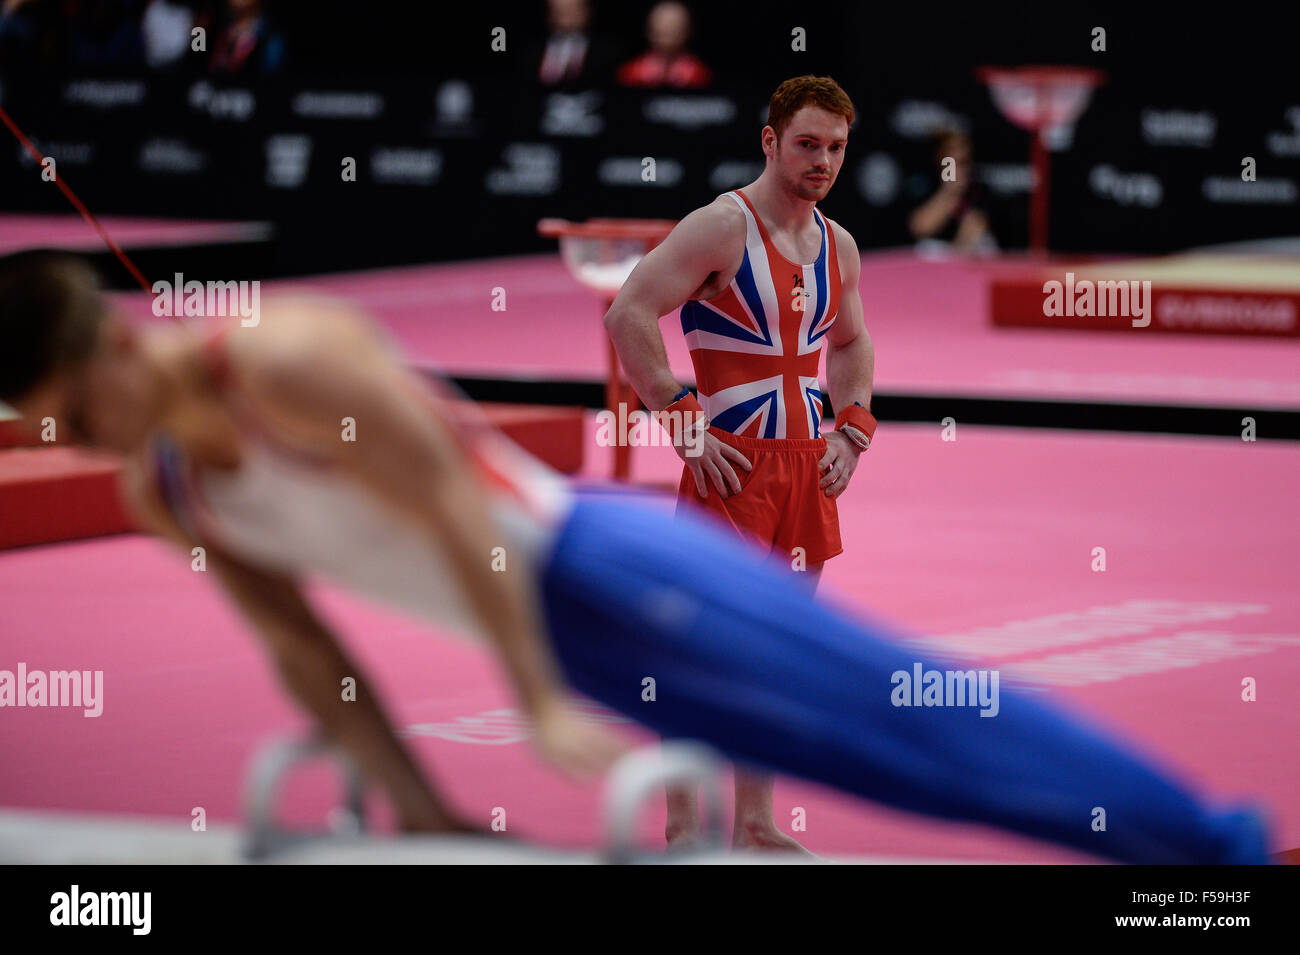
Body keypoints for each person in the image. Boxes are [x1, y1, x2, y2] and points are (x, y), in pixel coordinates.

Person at [0, 250, 1273, 864]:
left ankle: (1212, 842)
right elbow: (304, 642)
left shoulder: (284, 358)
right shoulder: (164, 488)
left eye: (66, 414)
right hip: (573, 641)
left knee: (892, 702)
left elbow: (452, 514)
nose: (70, 447)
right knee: (869, 765)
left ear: (112, 347)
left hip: (602, 569)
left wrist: (535, 700)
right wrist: (423, 811)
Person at [604, 74, 873, 850]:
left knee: (774, 651)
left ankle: (755, 821)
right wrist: (679, 417)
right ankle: (684, 822)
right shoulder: (722, 227)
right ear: (770, 140)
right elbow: (628, 311)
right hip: (732, 471)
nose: (822, 161)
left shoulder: (838, 243)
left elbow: (852, 341)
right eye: (808, 145)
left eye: (836, 148)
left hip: (805, 472)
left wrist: (850, 431)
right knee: (696, 650)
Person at [907, 127, 997, 257]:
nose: (959, 154)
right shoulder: (925, 181)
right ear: (940, 155)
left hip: (967, 255)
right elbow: (920, 227)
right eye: (952, 150)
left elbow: (977, 227)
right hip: (936, 254)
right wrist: (949, 192)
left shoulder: (979, 187)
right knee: (925, 248)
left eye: (963, 148)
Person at [616, 1, 711, 90]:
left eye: (674, 26)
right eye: (663, 25)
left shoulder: (700, 75)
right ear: (649, 30)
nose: (667, 30)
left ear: (687, 31)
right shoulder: (630, 73)